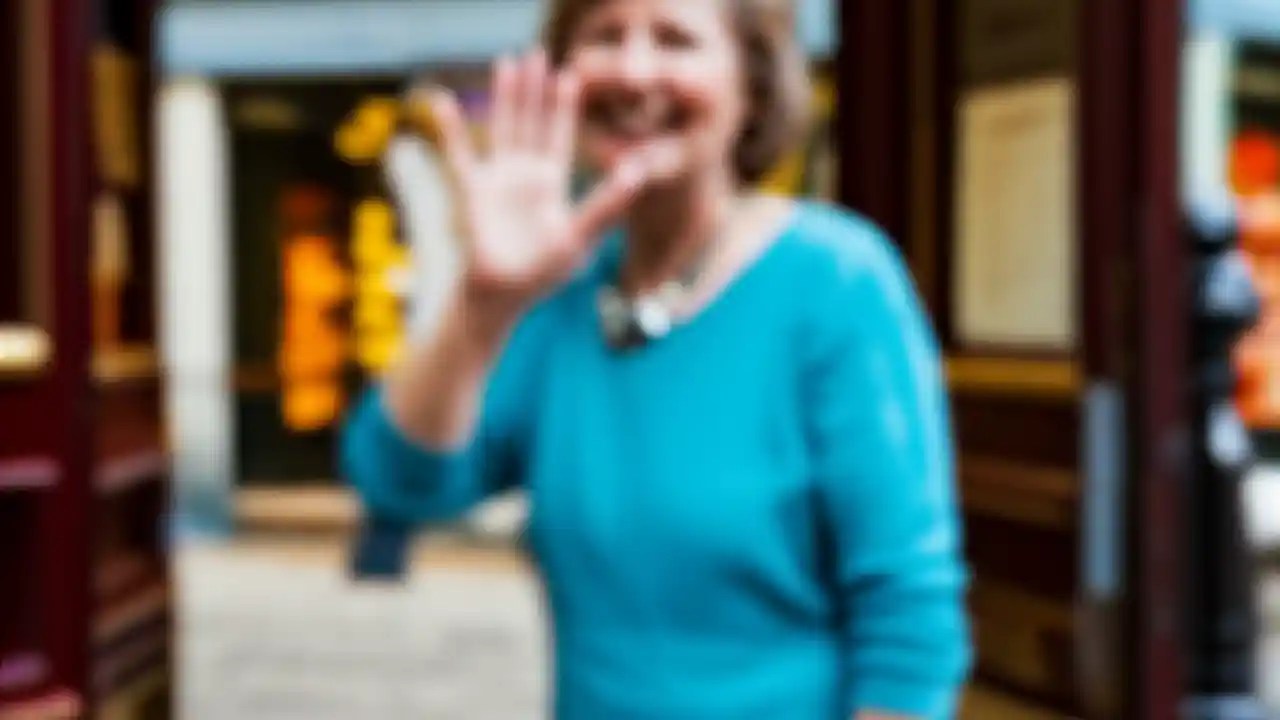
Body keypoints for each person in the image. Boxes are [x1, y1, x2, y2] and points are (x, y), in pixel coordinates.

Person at [342, 0, 971, 717]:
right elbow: (399, 483)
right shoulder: (563, 294)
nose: (635, 71)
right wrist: (483, 303)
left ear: (753, 88)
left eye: (675, 40)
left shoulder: (836, 284)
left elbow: (909, 624)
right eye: (606, 36)